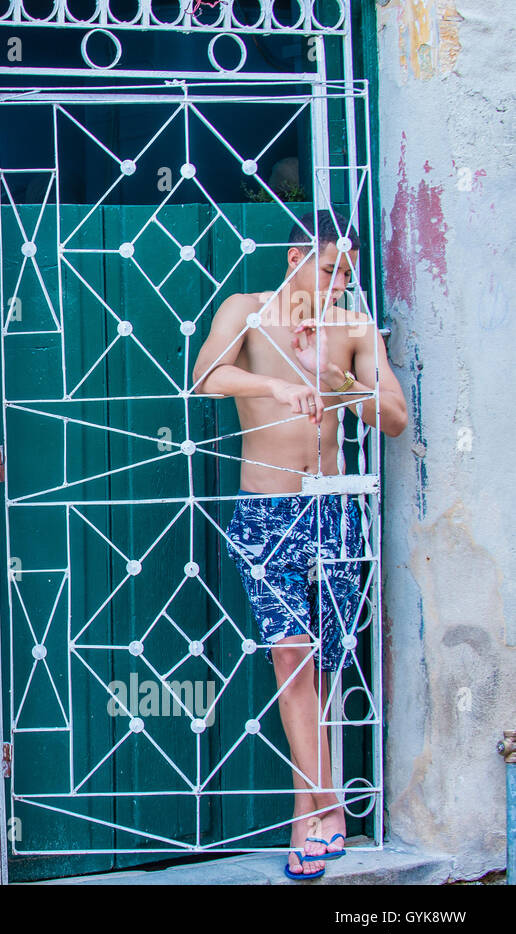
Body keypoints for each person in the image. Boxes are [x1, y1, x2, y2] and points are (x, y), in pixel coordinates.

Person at [192, 209, 407, 880]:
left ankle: (304, 818)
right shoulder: (247, 312)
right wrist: (279, 382)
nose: (341, 283)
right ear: (294, 261)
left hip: (333, 510)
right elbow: (204, 376)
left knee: (324, 667)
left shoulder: (351, 326)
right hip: (265, 511)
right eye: (329, 269)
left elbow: (394, 417)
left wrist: (333, 377)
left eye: (348, 273)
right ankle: (333, 811)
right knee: (291, 658)